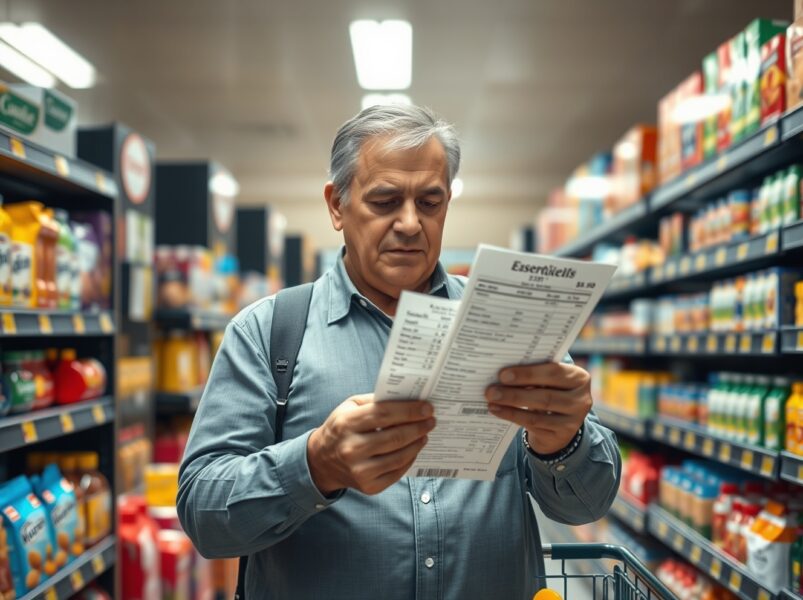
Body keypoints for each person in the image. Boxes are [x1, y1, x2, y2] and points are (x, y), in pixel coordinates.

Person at [177, 104, 621, 600]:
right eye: (385, 201)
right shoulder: (268, 333)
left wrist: (564, 442)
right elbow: (203, 513)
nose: (410, 223)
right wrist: (314, 464)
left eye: (430, 202)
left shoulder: (509, 324)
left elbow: (587, 505)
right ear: (337, 205)